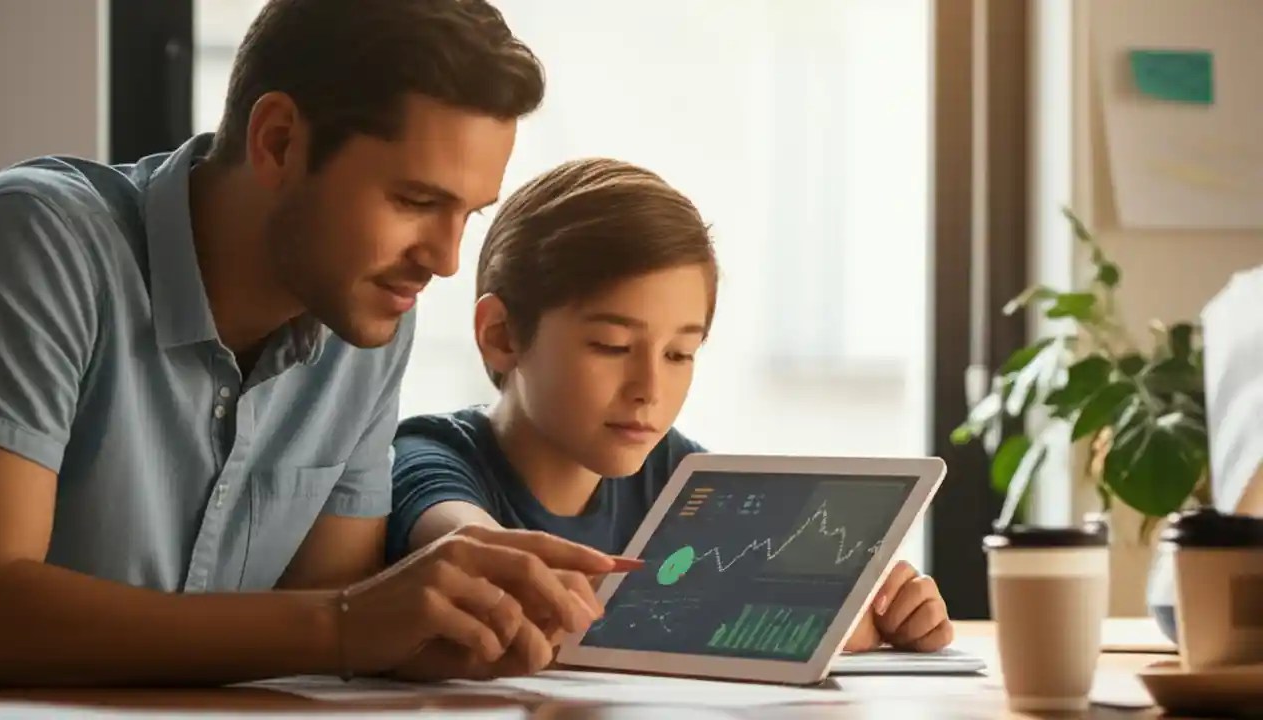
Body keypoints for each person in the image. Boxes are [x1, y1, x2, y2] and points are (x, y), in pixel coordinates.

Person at [0, 0, 634, 687]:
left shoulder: (369, 325)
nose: (445, 261)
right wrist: (350, 625)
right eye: (415, 202)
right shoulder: (39, 244)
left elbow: (318, 627)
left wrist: (441, 638)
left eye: (467, 215)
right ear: (279, 142)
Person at [389, 158, 955, 653]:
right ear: (502, 335)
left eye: (680, 353)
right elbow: (473, 550)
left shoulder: (686, 482)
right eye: (612, 346)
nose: (649, 390)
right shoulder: (430, 456)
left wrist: (879, 609)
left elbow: (794, 605)